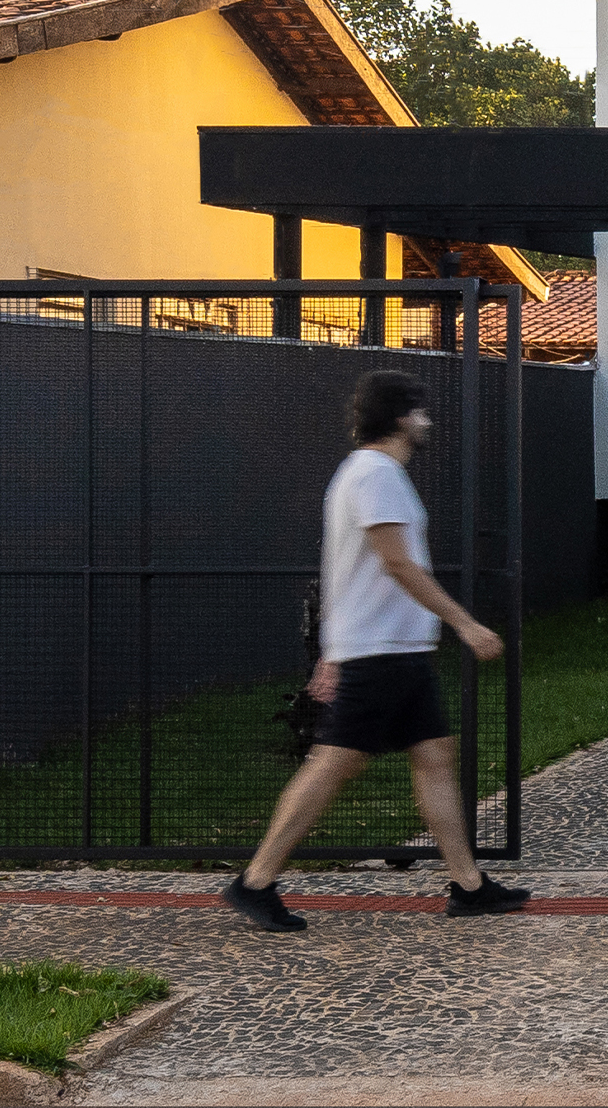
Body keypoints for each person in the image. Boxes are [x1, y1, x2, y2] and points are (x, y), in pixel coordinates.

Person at [222, 366, 530, 930]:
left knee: (434, 759)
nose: (427, 421)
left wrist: (334, 649)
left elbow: (350, 571)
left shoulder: (373, 474)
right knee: (332, 766)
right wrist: (465, 624)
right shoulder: (374, 475)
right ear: (401, 416)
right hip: (381, 653)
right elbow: (396, 563)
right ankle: (255, 881)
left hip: (397, 650)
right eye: (421, 411)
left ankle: (469, 886)